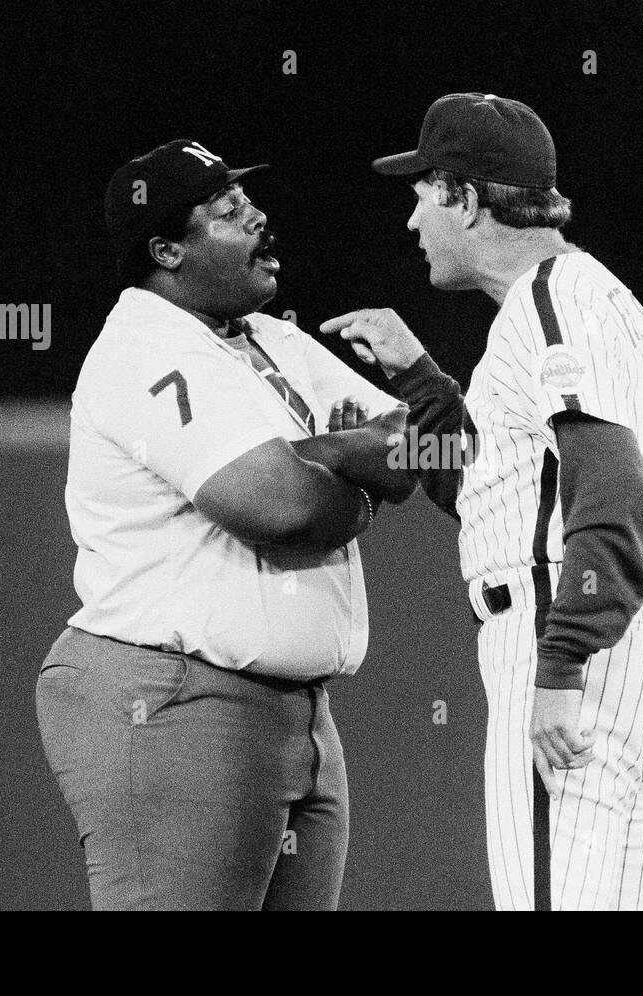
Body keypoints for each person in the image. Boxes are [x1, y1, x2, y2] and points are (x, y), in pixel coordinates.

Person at [321, 95, 643, 910]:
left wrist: (561, 664)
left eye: (424, 193)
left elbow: (613, 490)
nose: (412, 220)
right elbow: (495, 489)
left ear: (465, 198)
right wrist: (421, 379)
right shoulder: (595, 298)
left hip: (574, 636)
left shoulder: (549, 304)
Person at [35, 138, 414, 910]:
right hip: (173, 698)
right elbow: (280, 506)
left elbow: (411, 449)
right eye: (227, 211)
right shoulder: (144, 347)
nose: (258, 218)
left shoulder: (268, 336)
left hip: (297, 713)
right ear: (167, 250)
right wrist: (351, 477)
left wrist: (319, 459)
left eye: (248, 202)